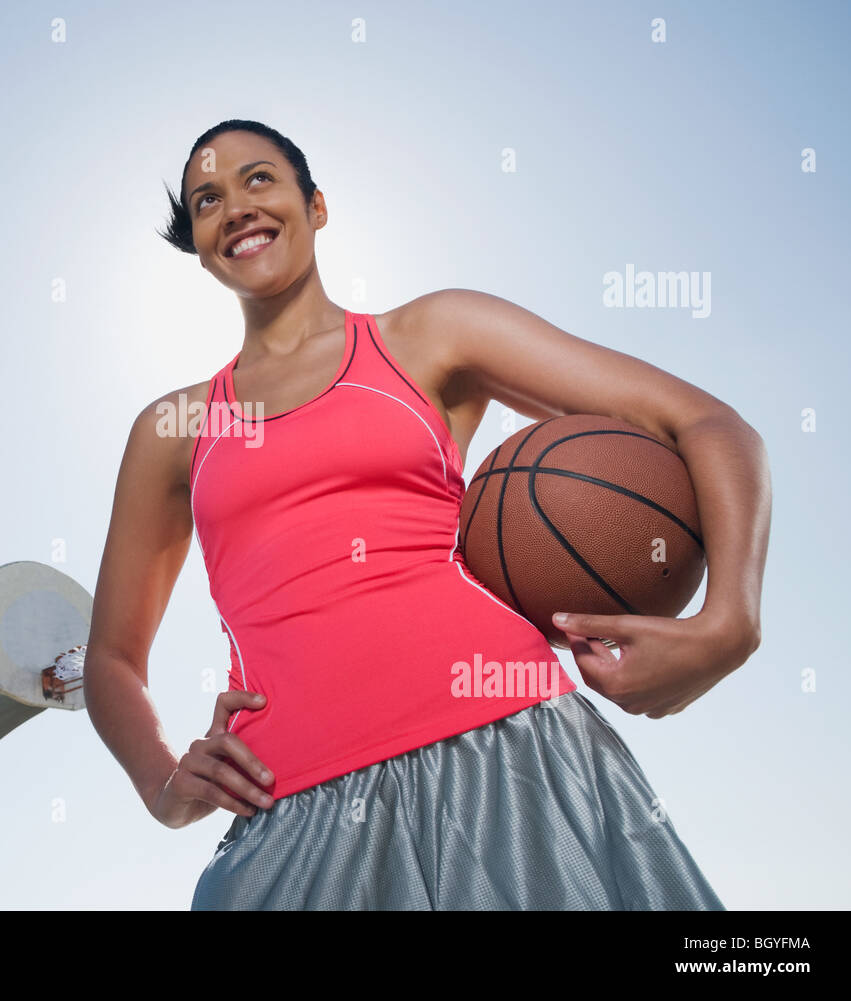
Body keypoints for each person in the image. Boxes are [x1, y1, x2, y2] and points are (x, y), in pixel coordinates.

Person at [81, 118, 770, 910]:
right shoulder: (175, 429)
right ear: (199, 244)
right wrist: (163, 781)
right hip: (288, 803)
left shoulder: (430, 335)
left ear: (317, 205)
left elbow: (710, 424)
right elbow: (111, 659)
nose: (235, 205)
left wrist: (729, 622)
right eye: (208, 199)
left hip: (508, 755)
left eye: (258, 179)